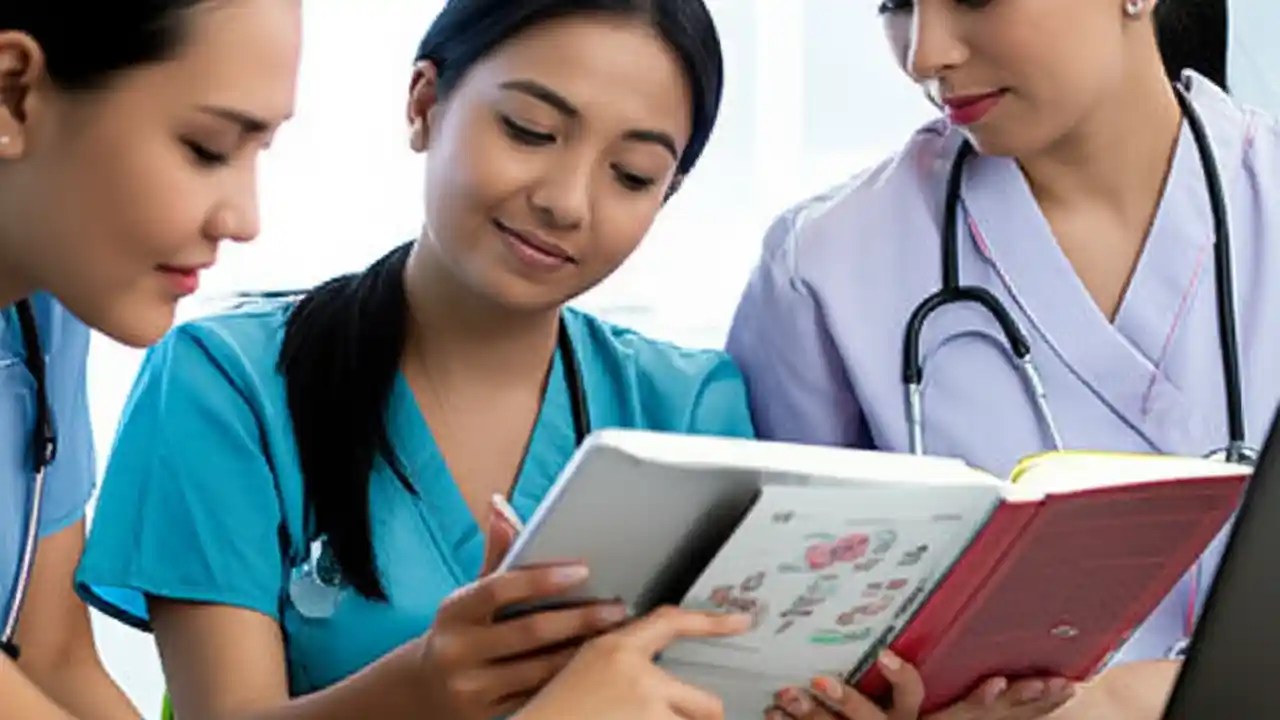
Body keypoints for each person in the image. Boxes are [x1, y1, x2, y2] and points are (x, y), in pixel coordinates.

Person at [75, 1, 756, 718]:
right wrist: (420, 689)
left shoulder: (686, 408)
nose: (566, 203)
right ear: (425, 103)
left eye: (632, 174)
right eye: (530, 131)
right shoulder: (227, 383)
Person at [725, 0, 1280, 718]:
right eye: (896, 4)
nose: (925, 56)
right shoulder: (823, 268)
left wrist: (1120, 702)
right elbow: (771, 657)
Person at [0, 2, 301, 718]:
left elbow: (53, 657)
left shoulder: (46, 309)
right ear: (13, 94)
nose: (243, 217)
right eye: (207, 148)